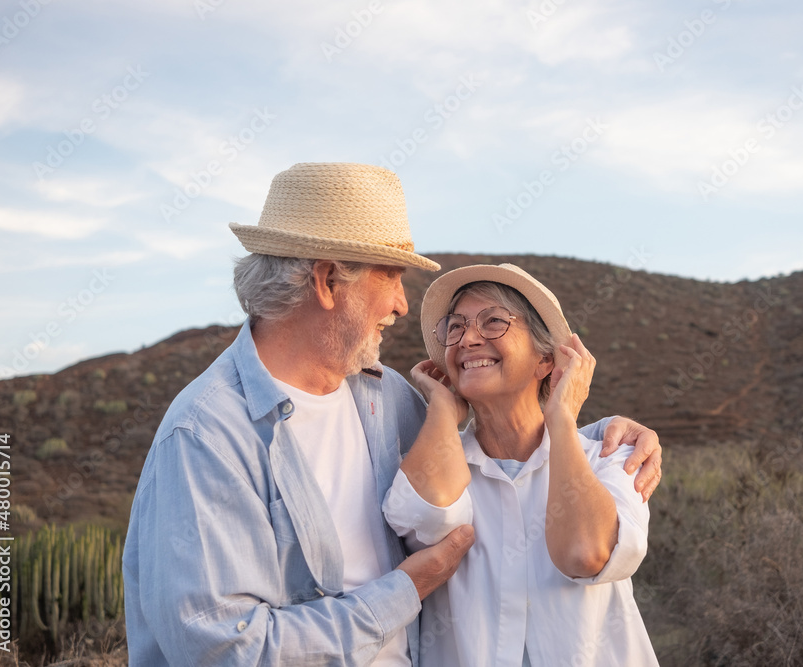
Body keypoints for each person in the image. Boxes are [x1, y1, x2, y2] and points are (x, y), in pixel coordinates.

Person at [123, 163, 662, 666]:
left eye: (494, 323)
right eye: (391, 276)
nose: (404, 306)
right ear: (327, 280)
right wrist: (405, 589)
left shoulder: (389, 402)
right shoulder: (206, 435)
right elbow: (222, 649)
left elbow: (510, 452)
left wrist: (591, 431)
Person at [383, 263, 659, 666]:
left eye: (493, 321)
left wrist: (563, 418)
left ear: (545, 361)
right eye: (455, 327)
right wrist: (442, 410)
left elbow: (585, 554)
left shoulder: (612, 457)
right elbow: (426, 521)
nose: (469, 339)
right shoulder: (437, 463)